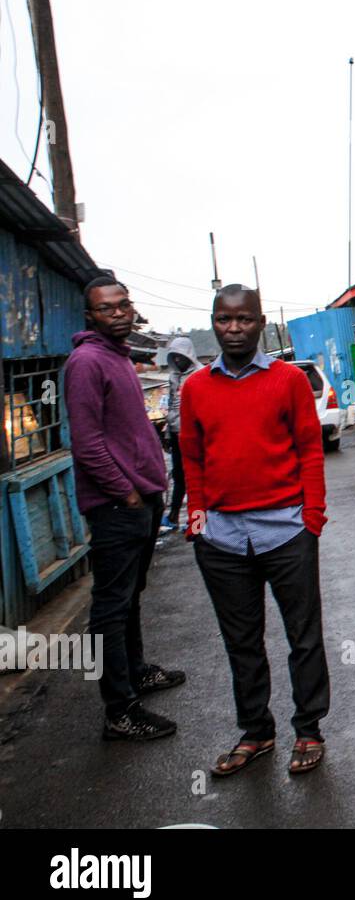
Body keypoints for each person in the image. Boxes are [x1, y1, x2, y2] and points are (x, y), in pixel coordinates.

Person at [180, 285, 331, 776]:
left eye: (244, 319)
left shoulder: (288, 380)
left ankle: (308, 729)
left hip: (286, 531)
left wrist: (313, 518)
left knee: (302, 636)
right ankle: (256, 732)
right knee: (241, 641)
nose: (234, 328)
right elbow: (191, 458)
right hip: (221, 540)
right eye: (224, 320)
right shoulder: (196, 388)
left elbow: (310, 447)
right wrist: (197, 522)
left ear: (261, 322)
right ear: (214, 322)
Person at [65, 275, 186, 742]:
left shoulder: (119, 358)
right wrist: (127, 492)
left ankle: (135, 672)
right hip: (118, 504)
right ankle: (120, 709)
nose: (117, 312)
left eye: (122, 304)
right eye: (105, 308)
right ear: (90, 316)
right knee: (110, 607)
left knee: (131, 595)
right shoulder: (86, 362)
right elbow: (87, 443)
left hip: (143, 497)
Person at [159, 336, 201, 533]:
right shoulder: (174, 377)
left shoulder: (200, 374)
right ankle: (174, 516)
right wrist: (168, 432)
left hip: (195, 435)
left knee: (197, 477)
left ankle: (198, 522)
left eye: (180, 356)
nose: (177, 361)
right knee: (179, 475)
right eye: (174, 357)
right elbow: (171, 406)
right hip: (177, 433)